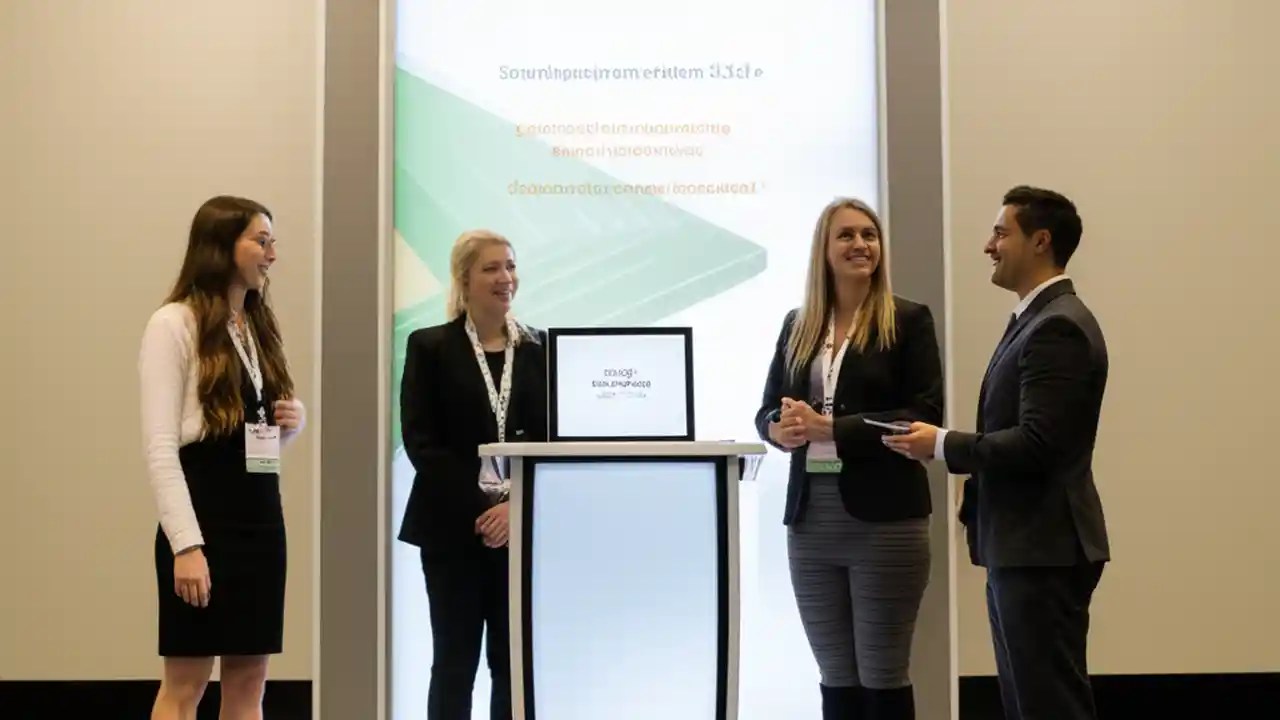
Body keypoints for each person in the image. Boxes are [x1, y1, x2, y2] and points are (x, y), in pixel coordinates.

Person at [884, 186, 1111, 720]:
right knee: (1028, 701)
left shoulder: (1058, 326)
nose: (989, 245)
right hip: (1023, 544)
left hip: (1043, 547)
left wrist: (940, 443)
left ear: (1041, 241)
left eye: (1000, 232)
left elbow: (1039, 444)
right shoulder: (1037, 319)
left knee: (1047, 703)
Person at [755, 197, 943, 720]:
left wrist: (833, 429)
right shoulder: (799, 324)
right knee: (836, 677)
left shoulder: (907, 319)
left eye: (869, 234)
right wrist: (778, 426)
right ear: (824, 248)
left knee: (882, 674)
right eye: (847, 235)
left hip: (887, 521)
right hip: (812, 519)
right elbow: (767, 406)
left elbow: (922, 413)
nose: (860, 245)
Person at [139, 196, 306, 720]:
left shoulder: (255, 326)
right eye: (261, 240)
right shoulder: (174, 323)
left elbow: (256, 446)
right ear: (220, 246)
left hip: (261, 519)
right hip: (203, 519)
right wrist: (186, 545)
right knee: (186, 683)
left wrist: (293, 426)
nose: (272, 254)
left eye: (272, 241)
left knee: (250, 681)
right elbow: (162, 446)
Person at [398, 229, 547, 720]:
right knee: (454, 663)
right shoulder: (430, 348)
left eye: (510, 266)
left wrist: (514, 508)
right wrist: (486, 511)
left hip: (523, 532)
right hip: (452, 531)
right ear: (464, 279)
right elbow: (423, 444)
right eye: (491, 268)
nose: (505, 278)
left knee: (513, 665)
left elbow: (554, 444)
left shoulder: (540, 350)